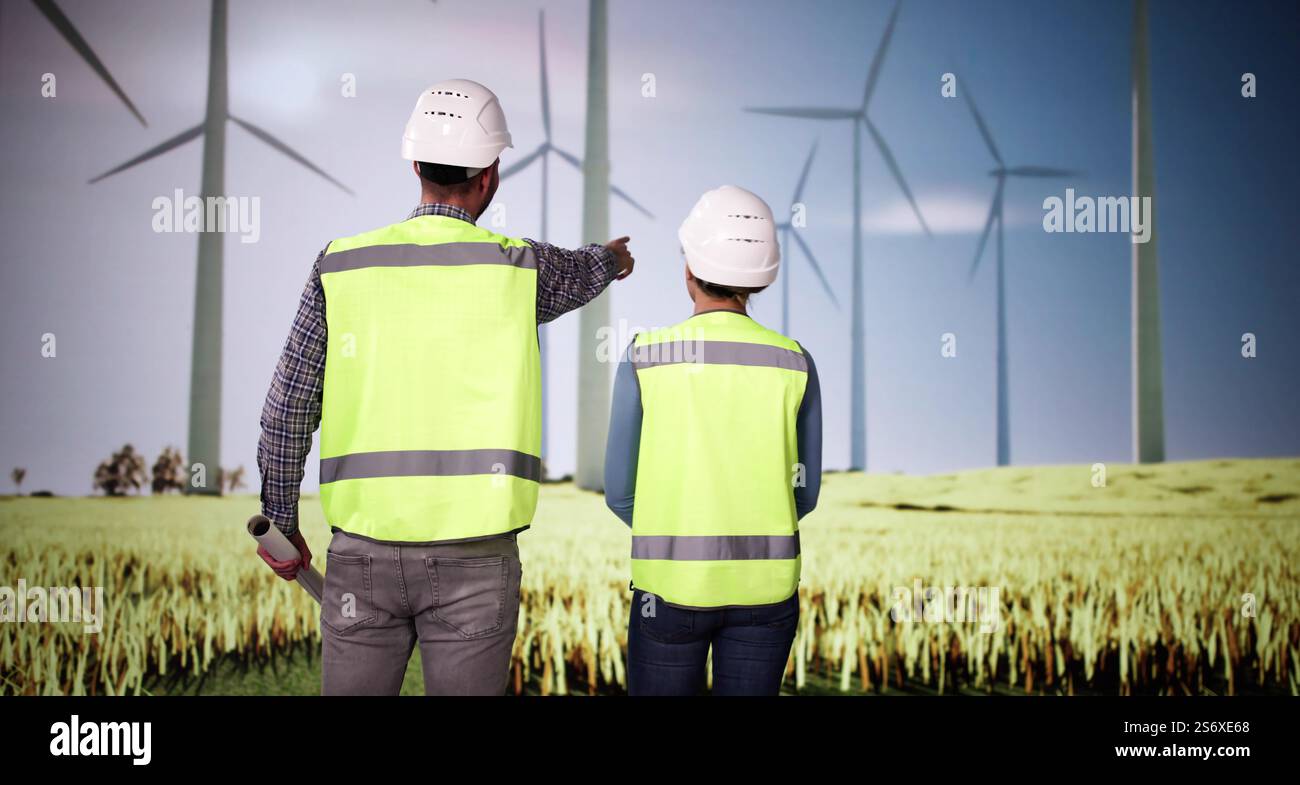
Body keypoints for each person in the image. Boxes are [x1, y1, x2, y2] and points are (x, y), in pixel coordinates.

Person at [255, 79, 635, 695]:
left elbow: (288, 404)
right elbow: (581, 271)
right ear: (489, 176)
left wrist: (279, 515)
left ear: (415, 164)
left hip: (362, 556)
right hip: (477, 560)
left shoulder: (341, 265)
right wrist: (613, 260)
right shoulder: (520, 267)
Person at [603, 185, 822, 696]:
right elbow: (805, 493)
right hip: (765, 595)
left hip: (668, 592)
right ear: (762, 277)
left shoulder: (645, 356)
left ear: (689, 270)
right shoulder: (795, 360)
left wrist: (680, 528)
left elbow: (619, 492)